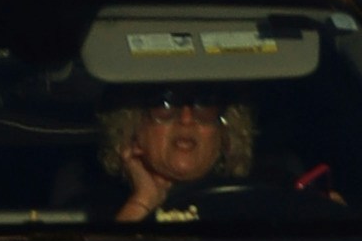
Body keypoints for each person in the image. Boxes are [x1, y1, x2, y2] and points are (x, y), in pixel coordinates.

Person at [99, 88, 254, 221]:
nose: (186, 119)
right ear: (133, 126)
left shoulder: (251, 205)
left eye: (204, 104)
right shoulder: (98, 203)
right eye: (165, 105)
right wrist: (142, 201)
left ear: (225, 130)